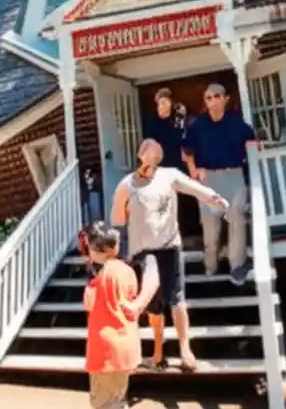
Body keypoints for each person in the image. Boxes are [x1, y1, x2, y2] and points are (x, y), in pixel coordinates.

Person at [111, 138, 228, 373]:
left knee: (176, 298)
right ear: (140, 155)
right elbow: (117, 220)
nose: (152, 158)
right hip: (142, 250)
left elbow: (194, 188)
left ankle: (185, 349)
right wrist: (118, 252)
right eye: (148, 153)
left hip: (169, 245)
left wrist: (214, 198)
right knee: (154, 307)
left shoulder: (169, 175)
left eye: (157, 155)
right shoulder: (126, 185)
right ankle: (157, 353)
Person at [182, 82, 257, 286]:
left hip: (233, 176)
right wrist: (194, 171)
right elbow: (186, 152)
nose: (213, 101)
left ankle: (237, 266)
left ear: (225, 99)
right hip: (209, 180)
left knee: (237, 217)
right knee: (210, 228)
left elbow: (252, 146)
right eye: (208, 98)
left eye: (217, 97)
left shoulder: (238, 125)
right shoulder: (198, 126)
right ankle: (210, 269)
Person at [82, 220, 140, 409]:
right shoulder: (128, 271)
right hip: (125, 346)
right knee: (118, 399)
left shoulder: (97, 279)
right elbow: (132, 297)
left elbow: (88, 303)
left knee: (103, 403)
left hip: (104, 350)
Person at [145, 87, 186, 169]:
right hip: (160, 167)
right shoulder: (153, 122)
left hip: (177, 165)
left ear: (170, 103)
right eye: (158, 104)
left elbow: (182, 138)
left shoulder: (177, 120)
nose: (160, 107)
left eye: (163, 103)